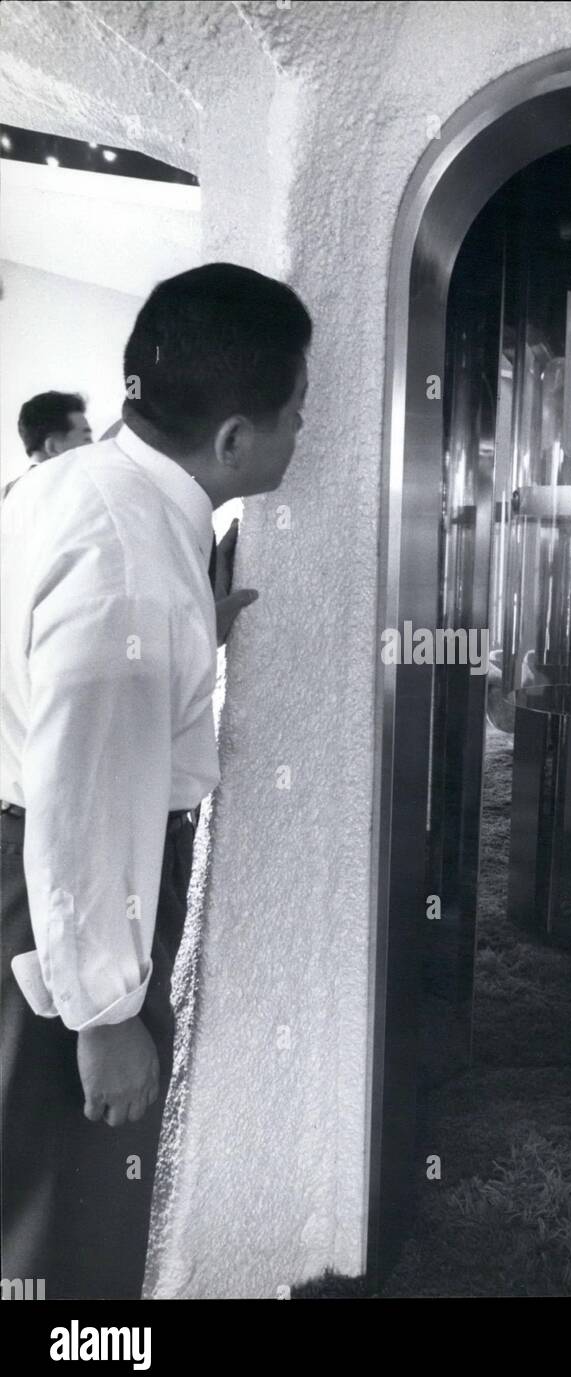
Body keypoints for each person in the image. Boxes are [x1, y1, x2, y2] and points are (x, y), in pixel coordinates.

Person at [0, 262, 311, 1299]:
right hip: (70, 894)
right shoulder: (134, 575)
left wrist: (190, 646)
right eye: (296, 411)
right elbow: (83, 804)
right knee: (69, 1208)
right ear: (234, 442)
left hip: (45, 872)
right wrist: (100, 1016)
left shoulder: (72, 483)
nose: (302, 429)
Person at [4, 391, 93, 498]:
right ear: (52, 447)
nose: (94, 447)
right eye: (87, 439)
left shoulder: (9, 497)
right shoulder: (73, 494)